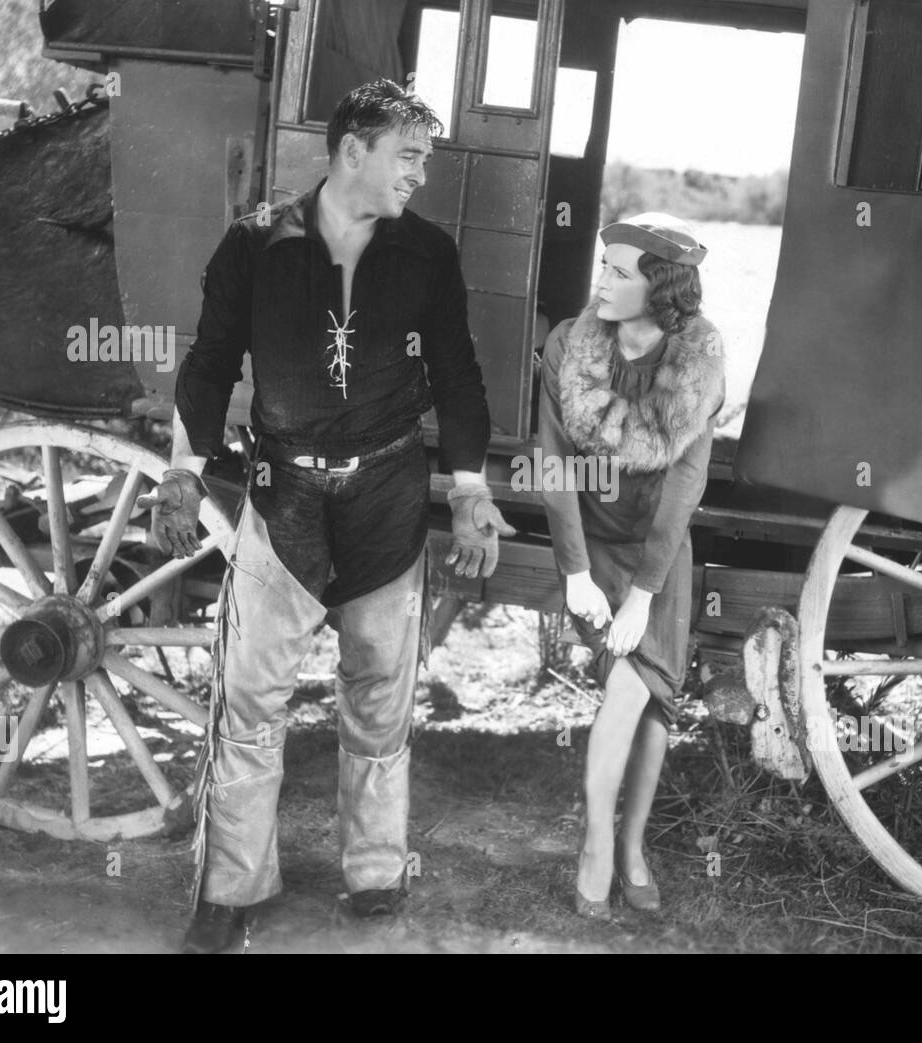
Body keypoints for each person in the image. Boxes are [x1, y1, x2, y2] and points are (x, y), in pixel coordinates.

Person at [137, 79, 514, 953]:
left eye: (424, 158)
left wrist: (468, 488)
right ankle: (231, 889)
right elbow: (208, 362)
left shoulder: (426, 254)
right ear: (353, 151)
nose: (420, 174)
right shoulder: (257, 245)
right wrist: (185, 471)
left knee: (381, 691)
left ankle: (377, 871)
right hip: (283, 500)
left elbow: (456, 373)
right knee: (248, 697)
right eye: (408, 156)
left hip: (385, 496)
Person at [537, 213, 724, 918]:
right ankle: (595, 844)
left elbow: (686, 484)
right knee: (628, 686)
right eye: (602, 265)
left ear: (662, 285)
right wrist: (576, 571)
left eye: (619, 270)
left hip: (658, 550)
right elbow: (551, 462)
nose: (601, 280)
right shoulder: (570, 344)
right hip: (591, 541)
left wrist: (645, 594)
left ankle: (629, 846)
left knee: (645, 695)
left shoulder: (699, 359)